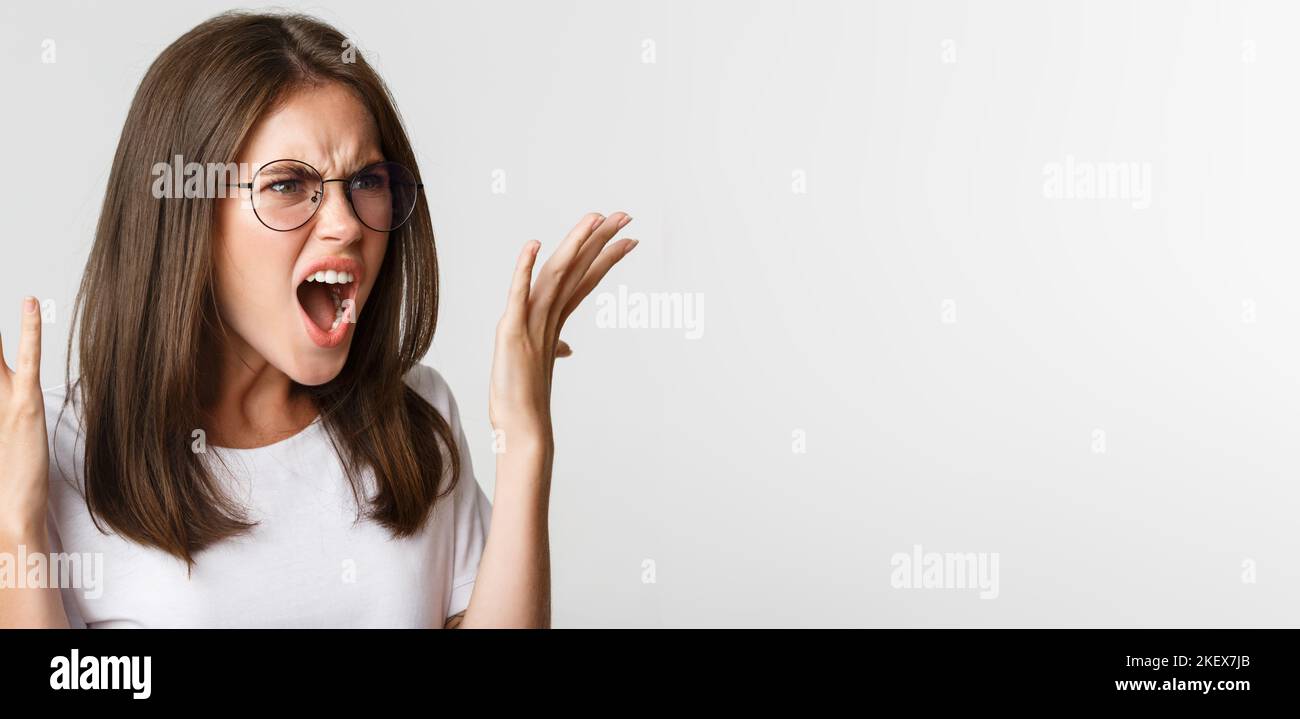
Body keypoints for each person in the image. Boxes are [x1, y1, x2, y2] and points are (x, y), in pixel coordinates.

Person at [0, 10, 637, 628]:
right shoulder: (56, 452)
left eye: (365, 181)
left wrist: (525, 441)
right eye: (286, 184)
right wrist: (16, 527)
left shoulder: (415, 418)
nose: (346, 222)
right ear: (184, 219)